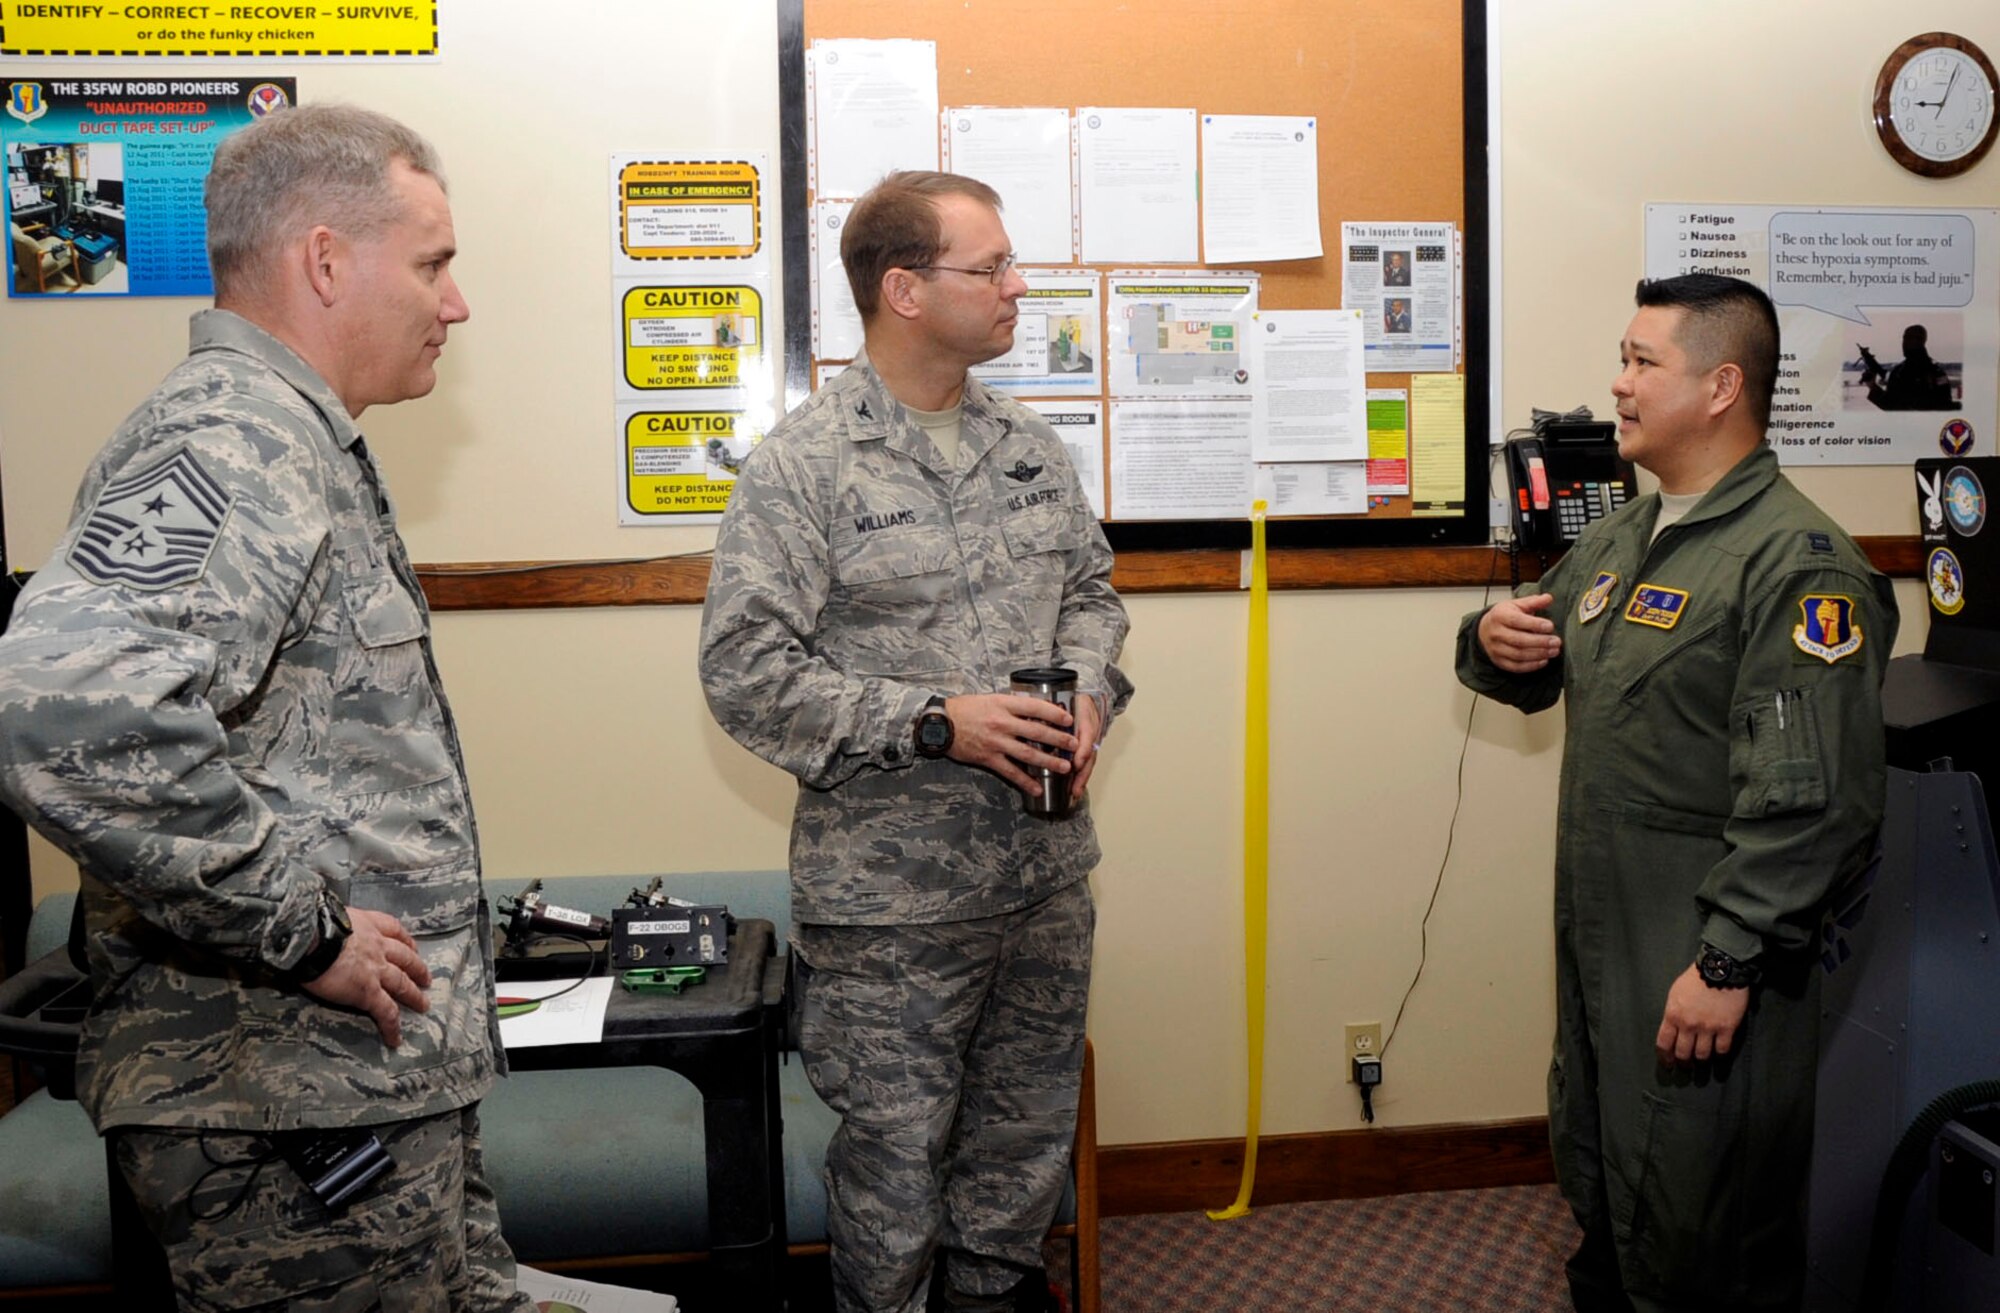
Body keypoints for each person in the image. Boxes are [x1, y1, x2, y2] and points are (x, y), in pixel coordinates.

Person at [0, 105, 533, 1312]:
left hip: (354, 1090)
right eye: (435, 264)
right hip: (286, 1102)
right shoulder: (232, 435)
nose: (455, 305)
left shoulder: (293, 436)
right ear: (328, 262)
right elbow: (56, 706)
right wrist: (301, 929)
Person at [699, 170, 1132, 1313]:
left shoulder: (1032, 445)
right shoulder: (804, 465)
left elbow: (1092, 595)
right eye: (988, 267)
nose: (1016, 285)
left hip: (1042, 879)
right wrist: (936, 720)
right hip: (891, 905)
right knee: (893, 1176)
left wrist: (1088, 693)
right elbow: (746, 676)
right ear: (903, 288)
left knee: (1018, 1157)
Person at [1456, 274, 1896, 1312]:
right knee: (1610, 1197)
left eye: (1640, 362)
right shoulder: (1624, 537)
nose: (1615, 383)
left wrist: (1727, 953)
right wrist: (1489, 641)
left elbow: (1814, 799)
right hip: (1606, 948)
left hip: (1700, 962)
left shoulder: (1796, 565)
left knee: (1703, 1230)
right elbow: (1537, 656)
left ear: (1718, 386)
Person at [1862, 322, 1955, 410]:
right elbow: (1890, 405)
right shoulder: (1898, 371)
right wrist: (1873, 386)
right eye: (1905, 338)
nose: (1905, 342)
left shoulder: (1936, 372)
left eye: (1912, 338)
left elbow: (1945, 407)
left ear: (1922, 341)